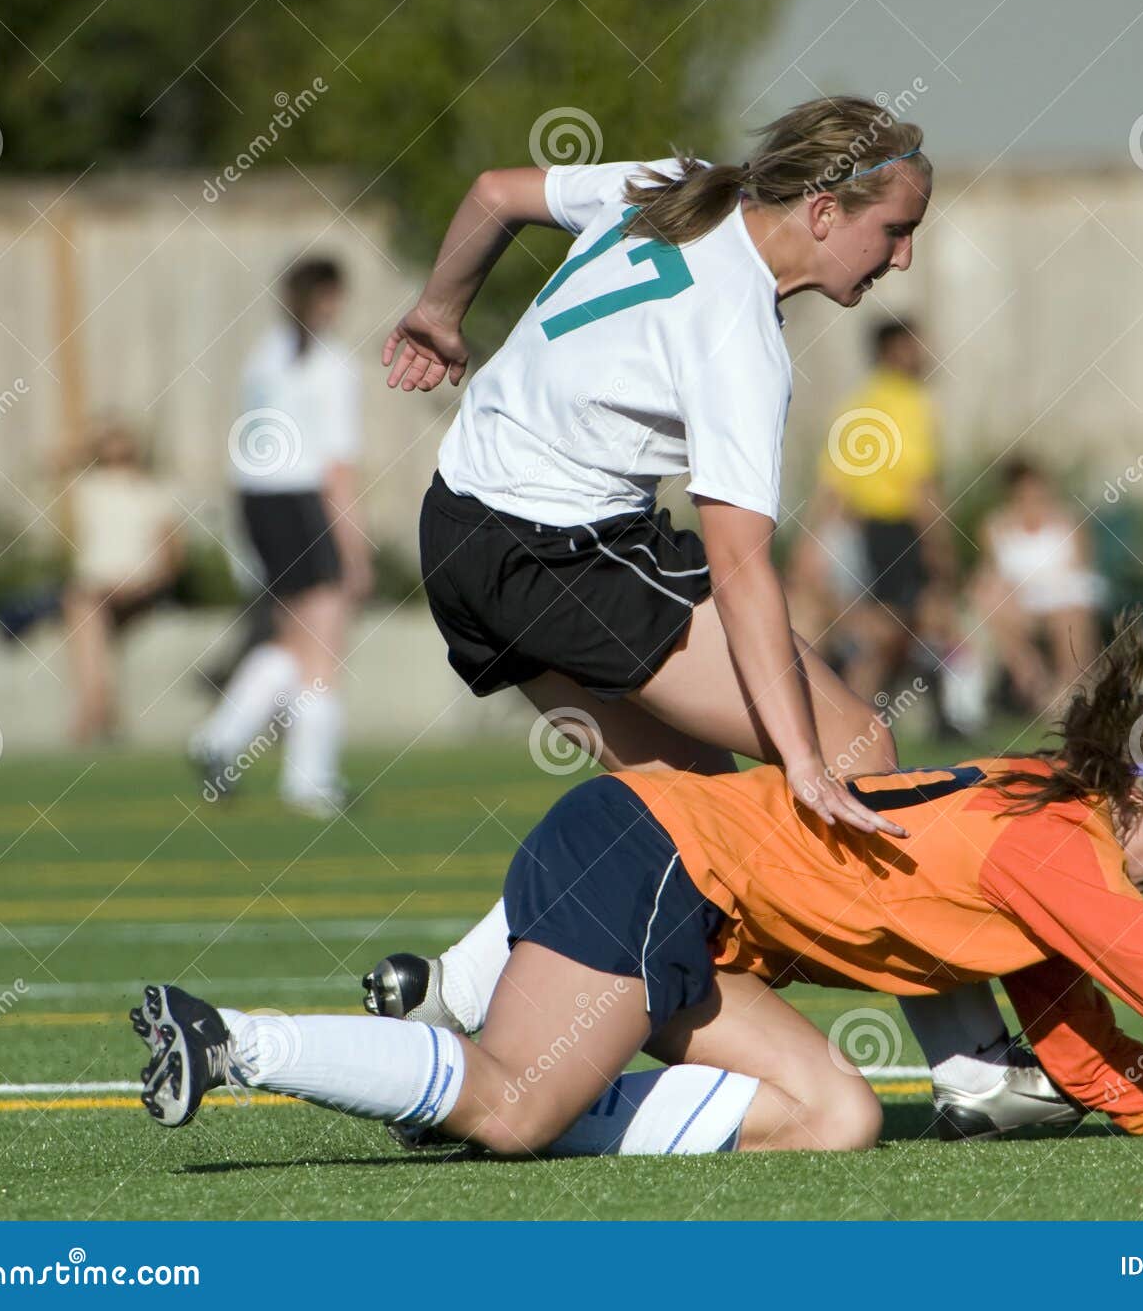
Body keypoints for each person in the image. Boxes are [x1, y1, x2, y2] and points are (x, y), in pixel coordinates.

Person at [132, 616, 1143, 1154]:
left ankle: (451, 1046)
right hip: (650, 855)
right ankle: (235, 1039)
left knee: (835, 1112)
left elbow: (1092, 1059)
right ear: (1141, 801)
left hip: (693, 905)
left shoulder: (1047, 822)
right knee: (519, 1108)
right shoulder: (1059, 850)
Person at [375, 97, 1046, 1132]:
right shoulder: (738, 332)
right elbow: (741, 570)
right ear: (823, 212)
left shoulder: (676, 184)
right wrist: (807, 757)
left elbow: (495, 194)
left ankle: (453, 1002)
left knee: (683, 811)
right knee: (858, 745)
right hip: (562, 551)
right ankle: (976, 1066)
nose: (903, 258)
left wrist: (438, 310)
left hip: (464, 530)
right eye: (895, 230)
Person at [188, 256, 370, 816]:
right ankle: (310, 781)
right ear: (328, 297)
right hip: (301, 502)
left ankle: (221, 739)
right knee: (323, 646)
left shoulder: (265, 356)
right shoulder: (333, 365)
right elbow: (337, 470)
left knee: (290, 642)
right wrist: (356, 550)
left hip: (255, 501)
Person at [810, 316, 953, 704]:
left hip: (865, 530)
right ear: (891, 351)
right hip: (897, 529)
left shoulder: (857, 402)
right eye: (913, 346)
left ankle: (932, 712)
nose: (923, 354)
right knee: (892, 625)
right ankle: (851, 706)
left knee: (914, 620)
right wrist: (939, 540)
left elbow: (832, 485)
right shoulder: (910, 402)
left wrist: (814, 544)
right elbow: (919, 482)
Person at [62, 422, 185, 743]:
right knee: (85, 606)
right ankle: (100, 706)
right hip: (94, 589)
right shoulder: (89, 487)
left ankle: (92, 712)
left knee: (83, 607)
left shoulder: (153, 492)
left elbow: (172, 558)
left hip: (139, 587)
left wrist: (142, 584)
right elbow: (54, 461)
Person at [971, 456, 1104, 718]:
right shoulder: (995, 526)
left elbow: (1080, 567)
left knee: (1069, 616)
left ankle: (1072, 689)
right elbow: (991, 570)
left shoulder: (1069, 521)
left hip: (1064, 594)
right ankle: (1034, 679)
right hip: (1020, 599)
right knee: (991, 603)